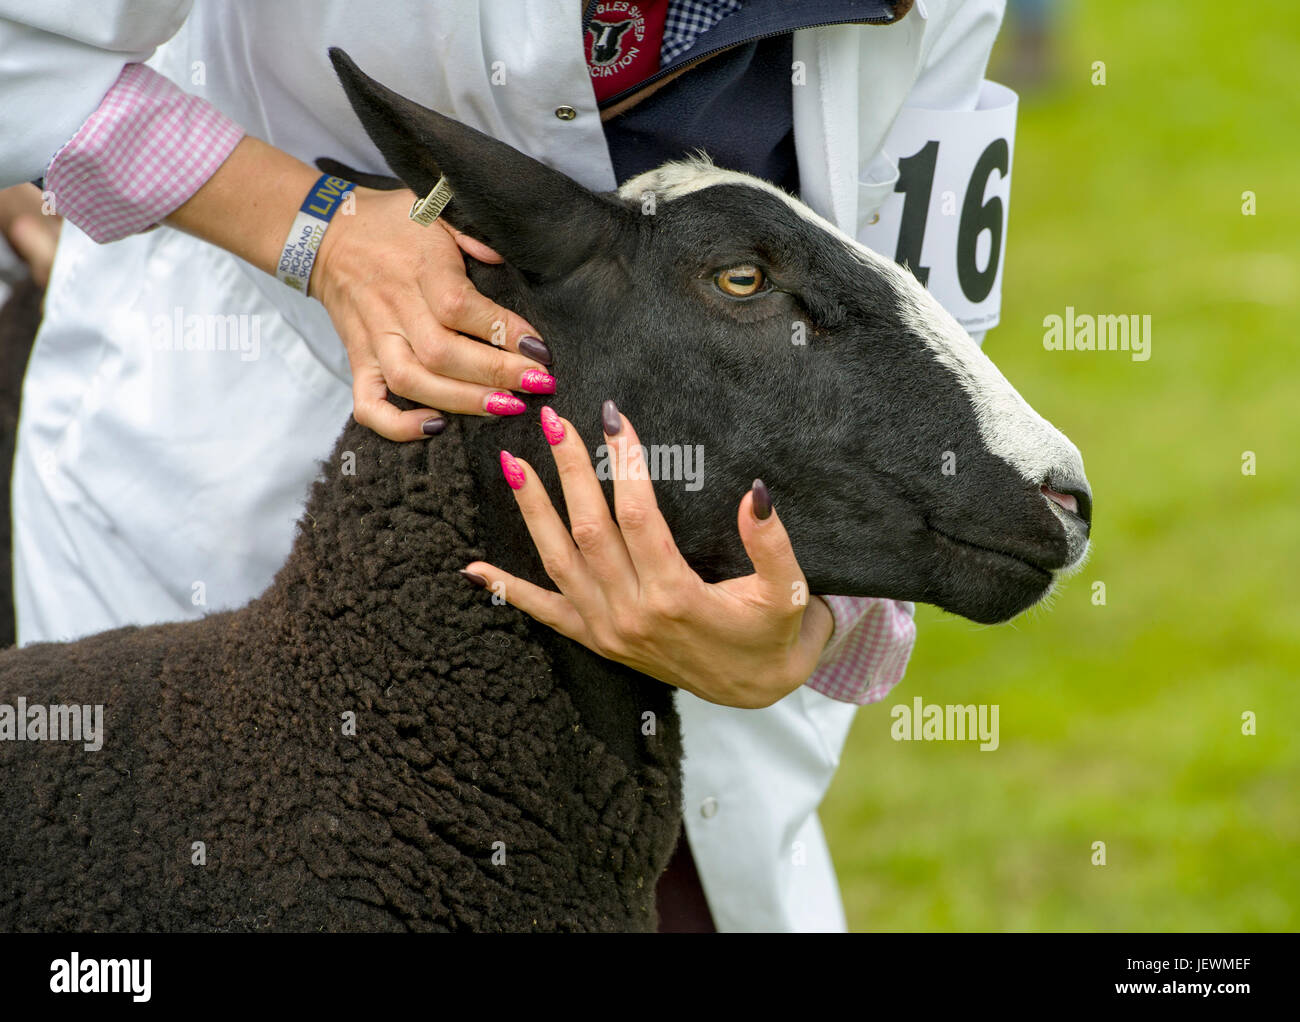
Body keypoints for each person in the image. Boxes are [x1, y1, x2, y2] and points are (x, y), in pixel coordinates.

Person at [0, 0, 1011, 931]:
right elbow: (24, 44)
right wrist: (311, 226)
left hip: (696, 594)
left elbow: (915, 339)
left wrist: (817, 630)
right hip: (242, 434)